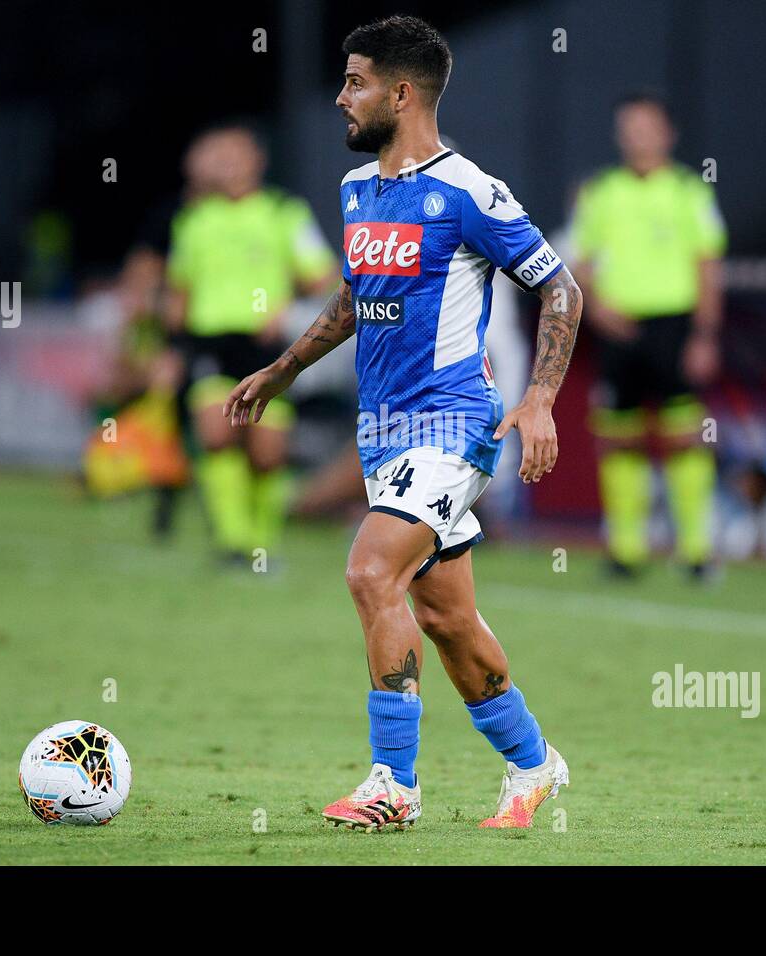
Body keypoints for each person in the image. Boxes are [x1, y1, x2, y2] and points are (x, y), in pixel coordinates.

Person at [225, 16, 582, 830]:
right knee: (447, 618)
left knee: (367, 572)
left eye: (353, 83)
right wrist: (284, 371)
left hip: (453, 424)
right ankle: (535, 765)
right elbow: (357, 296)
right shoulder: (359, 191)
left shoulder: (469, 192)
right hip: (382, 432)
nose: (342, 99)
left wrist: (542, 399)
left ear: (401, 92)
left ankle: (395, 784)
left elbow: (561, 288)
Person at [570, 92, 726, 579]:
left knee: (684, 437)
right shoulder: (600, 192)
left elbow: (708, 264)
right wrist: (596, 307)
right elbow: (580, 262)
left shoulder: (688, 191)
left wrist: (704, 334)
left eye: (647, 127)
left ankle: (696, 551)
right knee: (619, 439)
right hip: (619, 329)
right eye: (629, 128)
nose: (638, 137)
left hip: (674, 326)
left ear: (667, 133)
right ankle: (626, 550)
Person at [165, 126, 337, 560]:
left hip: (266, 349)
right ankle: (232, 543)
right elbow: (179, 292)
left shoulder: (283, 212)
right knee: (216, 437)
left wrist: (286, 309)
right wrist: (168, 347)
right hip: (210, 343)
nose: (227, 165)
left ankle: (262, 546)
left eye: (236, 155)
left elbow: (324, 275)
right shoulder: (195, 219)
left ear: (257, 161)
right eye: (220, 157)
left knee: (266, 455)